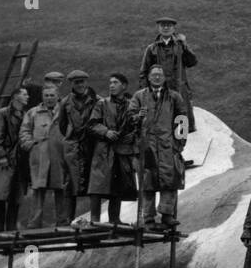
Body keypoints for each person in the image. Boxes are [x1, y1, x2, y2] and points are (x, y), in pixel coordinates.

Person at [130, 64, 189, 229]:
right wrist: (137, 117)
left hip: (167, 145)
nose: (157, 77)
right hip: (146, 145)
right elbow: (129, 118)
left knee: (170, 180)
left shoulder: (174, 97)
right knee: (147, 182)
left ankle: (167, 214)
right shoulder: (139, 96)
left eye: (160, 75)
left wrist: (179, 144)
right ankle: (148, 217)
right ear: (148, 77)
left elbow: (182, 120)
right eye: (154, 75)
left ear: (164, 78)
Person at [84, 73, 139, 226]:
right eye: (110, 83)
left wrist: (132, 135)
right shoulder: (102, 104)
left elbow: (137, 125)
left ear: (124, 86)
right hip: (104, 150)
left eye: (115, 82)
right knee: (97, 186)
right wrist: (106, 132)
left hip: (122, 151)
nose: (111, 85)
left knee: (118, 186)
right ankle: (94, 220)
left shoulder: (131, 105)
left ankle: (115, 219)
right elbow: (91, 124)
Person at [19, 85, 68, 228]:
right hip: (40, 155)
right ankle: (34, 222)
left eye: (52, 95)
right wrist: (30, 145)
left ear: (57, 96)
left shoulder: (64, 111)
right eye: (46, 95)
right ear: (42, 97)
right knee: (38, 189)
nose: (49, 98)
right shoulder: (33, 113)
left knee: (61, 188)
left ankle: (62, 220)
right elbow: (24, 131)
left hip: (60, 154)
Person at [139, 16, 198, 132]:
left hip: (179, 89)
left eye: (169, 25)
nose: (166, 28)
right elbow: (144, 72)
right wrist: (146, 93)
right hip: (159, 91)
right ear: (159, 28)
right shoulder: (151, 49)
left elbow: (192, 62)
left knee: (182, 127)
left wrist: (185, 45)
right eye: (163, 25)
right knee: (161, 127)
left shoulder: (180, 46)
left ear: (174, 28)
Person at [56, 69, 99, 226]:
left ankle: (95, 218)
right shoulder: (65, 103)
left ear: (86, 82)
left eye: (82, 82)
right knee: (70, 183)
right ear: (72, 84)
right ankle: (69, 219)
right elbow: (62, 125)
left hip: (91, 145)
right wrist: (71, 137)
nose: (80, 85)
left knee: (93, 182)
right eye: (76, 82)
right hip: (73, 147)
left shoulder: (97, 100)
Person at [0, 86, 28, 232]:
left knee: (15, 196)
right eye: (24, 94)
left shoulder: (24, 115)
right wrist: (1, 155)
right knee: (0, 194)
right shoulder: (2, 114)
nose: (27, 97)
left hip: (19, 160)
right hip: (5, 160)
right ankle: (0, 227)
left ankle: (10, 227)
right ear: (16, 96)